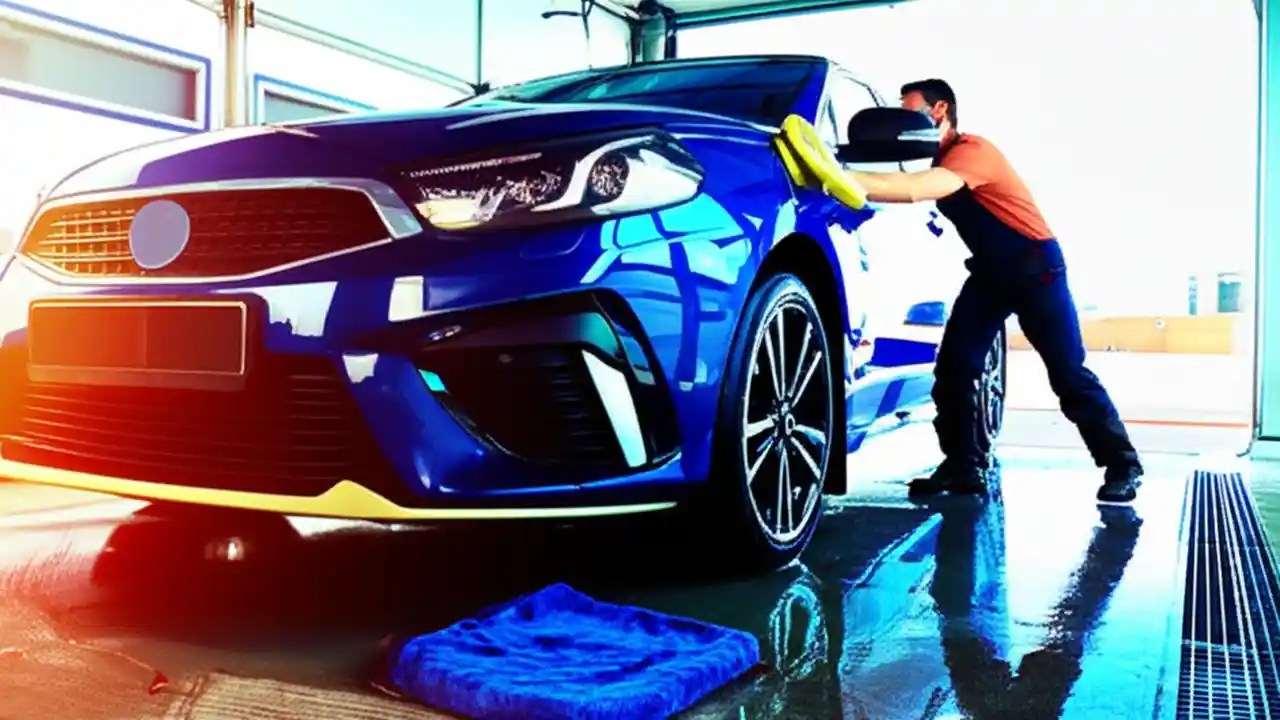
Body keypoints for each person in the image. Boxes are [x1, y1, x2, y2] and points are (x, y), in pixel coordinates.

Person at [844, 79, 1143, 503]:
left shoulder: (970, 151)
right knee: (953, 369)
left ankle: (1123, 465)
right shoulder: (934, 157)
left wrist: (831, 175)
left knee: (1068, 374)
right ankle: (963, 467)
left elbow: (913, 190)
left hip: (1036, 269)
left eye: (908, 108)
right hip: (990, 274)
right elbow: (898, 183)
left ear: (938, 110)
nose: (899, 116)